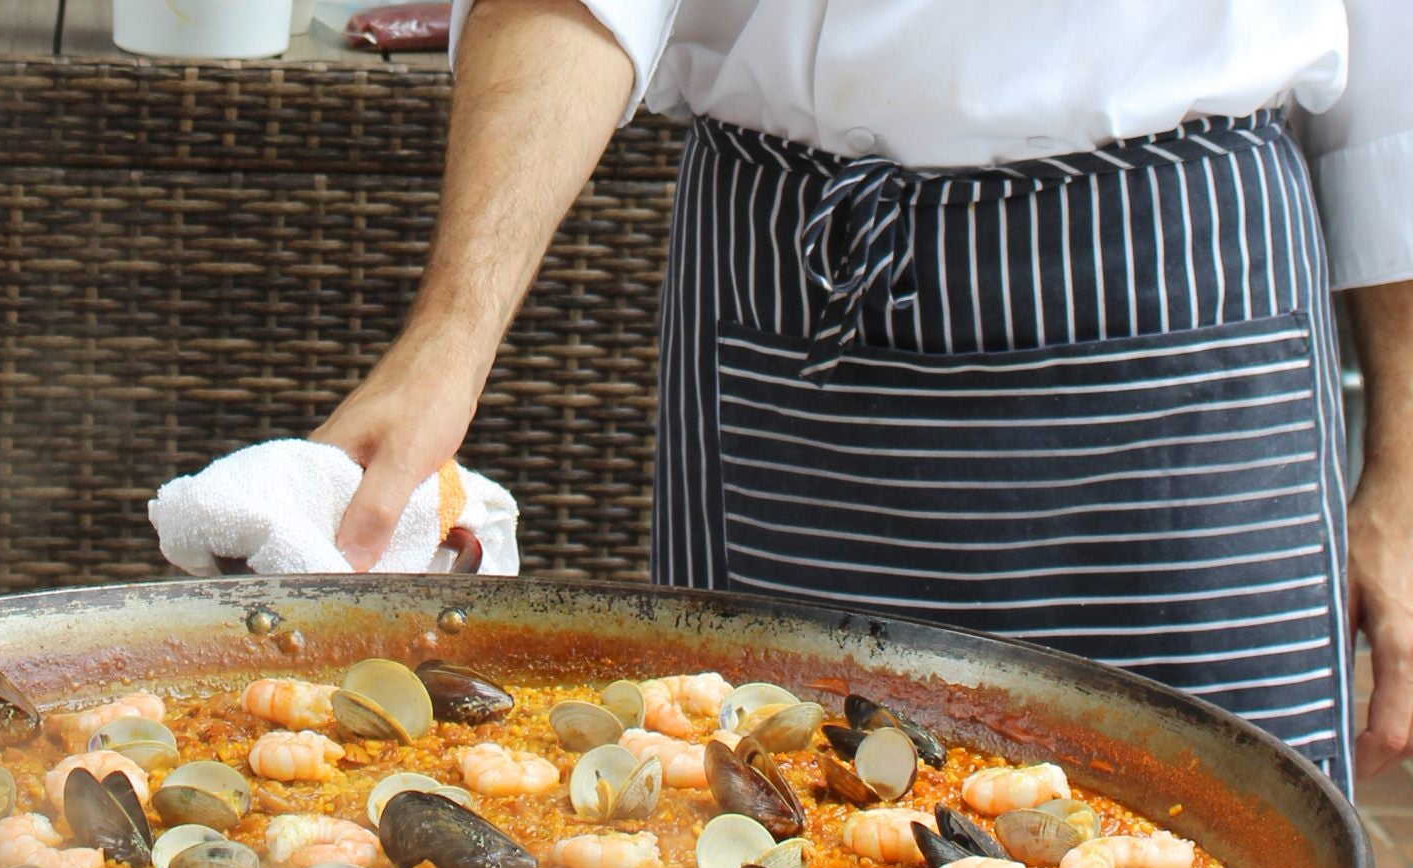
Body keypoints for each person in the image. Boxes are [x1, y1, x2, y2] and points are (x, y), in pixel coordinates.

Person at [314, 0, 1412, 794]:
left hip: (1179, 293)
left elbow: (1394, 91)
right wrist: (447, 341)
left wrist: (1404, 479)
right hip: (793, 300)